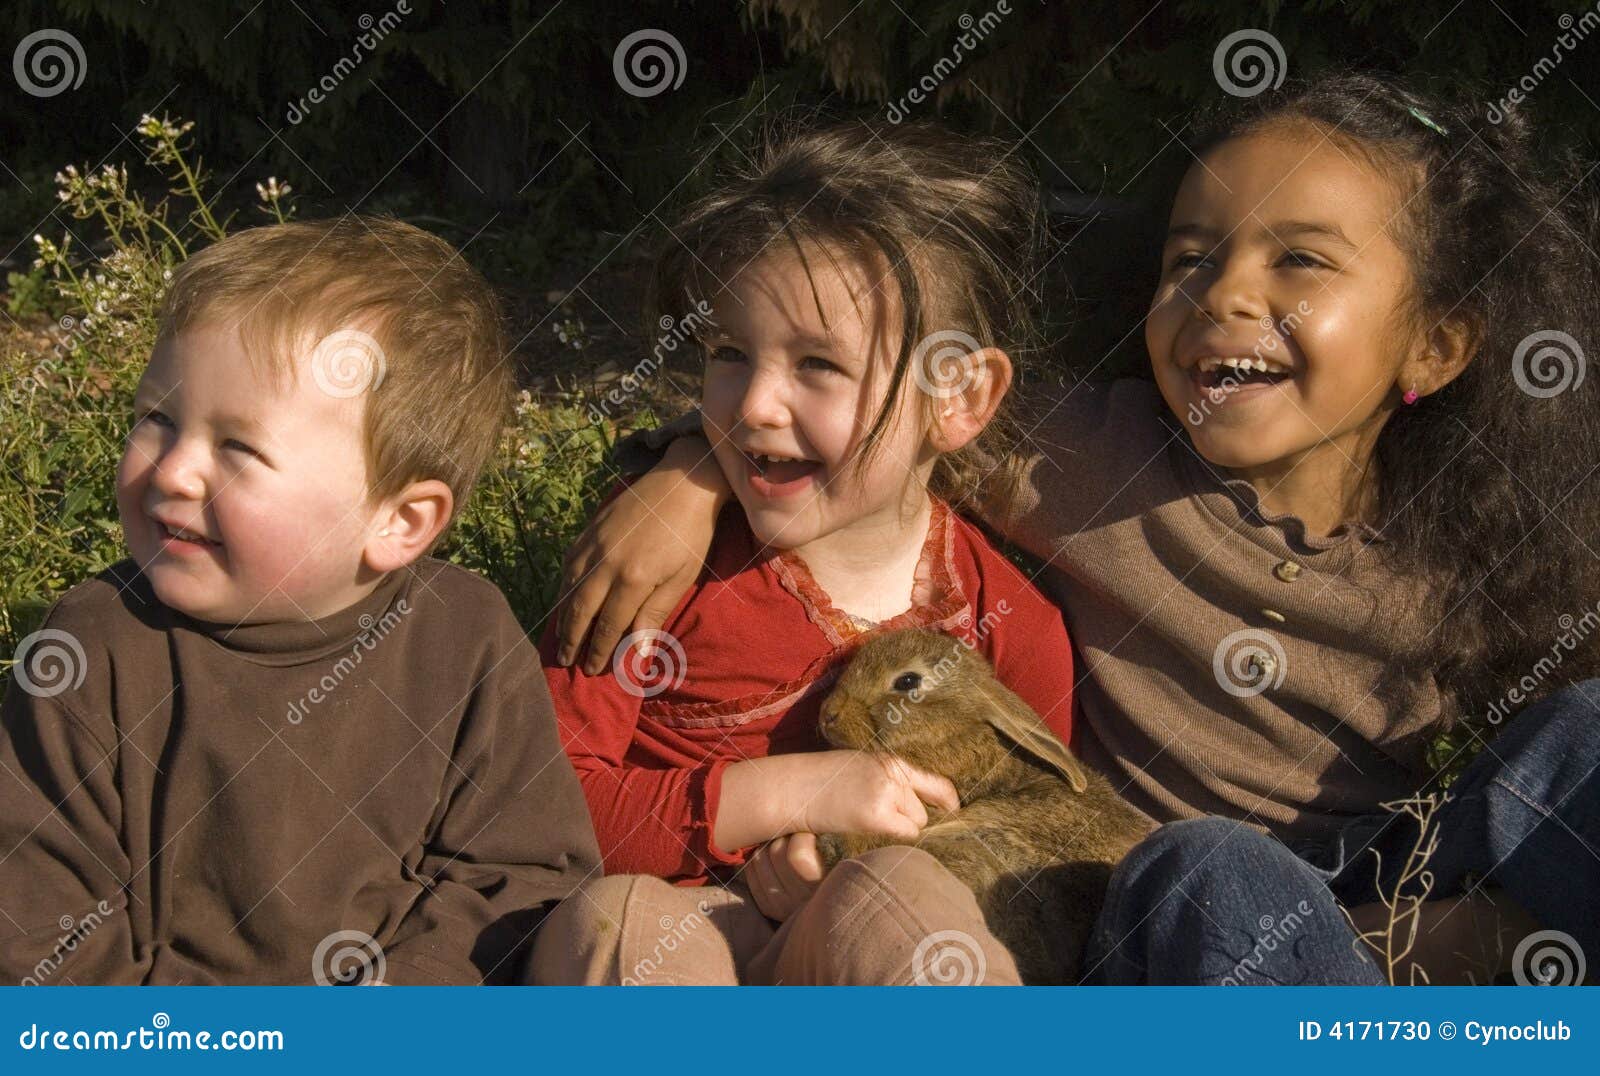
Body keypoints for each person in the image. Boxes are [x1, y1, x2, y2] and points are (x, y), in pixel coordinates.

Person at [552, 75, 1600, 985]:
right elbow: (888, 420)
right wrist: (685, 474)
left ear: (1436, 344)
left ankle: (1392, 951)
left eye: (1300, 263)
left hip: (1372, 873)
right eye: (1190, 258)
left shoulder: (1481, 550)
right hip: (1148, 898)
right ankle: (1405, 970)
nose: (1225, 292)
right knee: (1212, 868)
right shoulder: (1087, 460)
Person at [532, 121, 1079, 985]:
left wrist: (863, 850)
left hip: (866, 959)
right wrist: (788, 796)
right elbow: (538, 806)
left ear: (962, 396)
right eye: (727, 353)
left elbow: (1044, 833)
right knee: (622, 923)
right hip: (684, 946)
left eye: (819, 364)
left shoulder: (1011, 623)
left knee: (900, 902)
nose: (752, 407)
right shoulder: (653, 569)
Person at [0, 218, 599, 985]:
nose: (175, 472)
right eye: (158, 418)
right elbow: (39, 936)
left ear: (398, 522)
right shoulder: (90, 650)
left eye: (238, 449)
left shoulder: (463, 638)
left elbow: (525, 875)